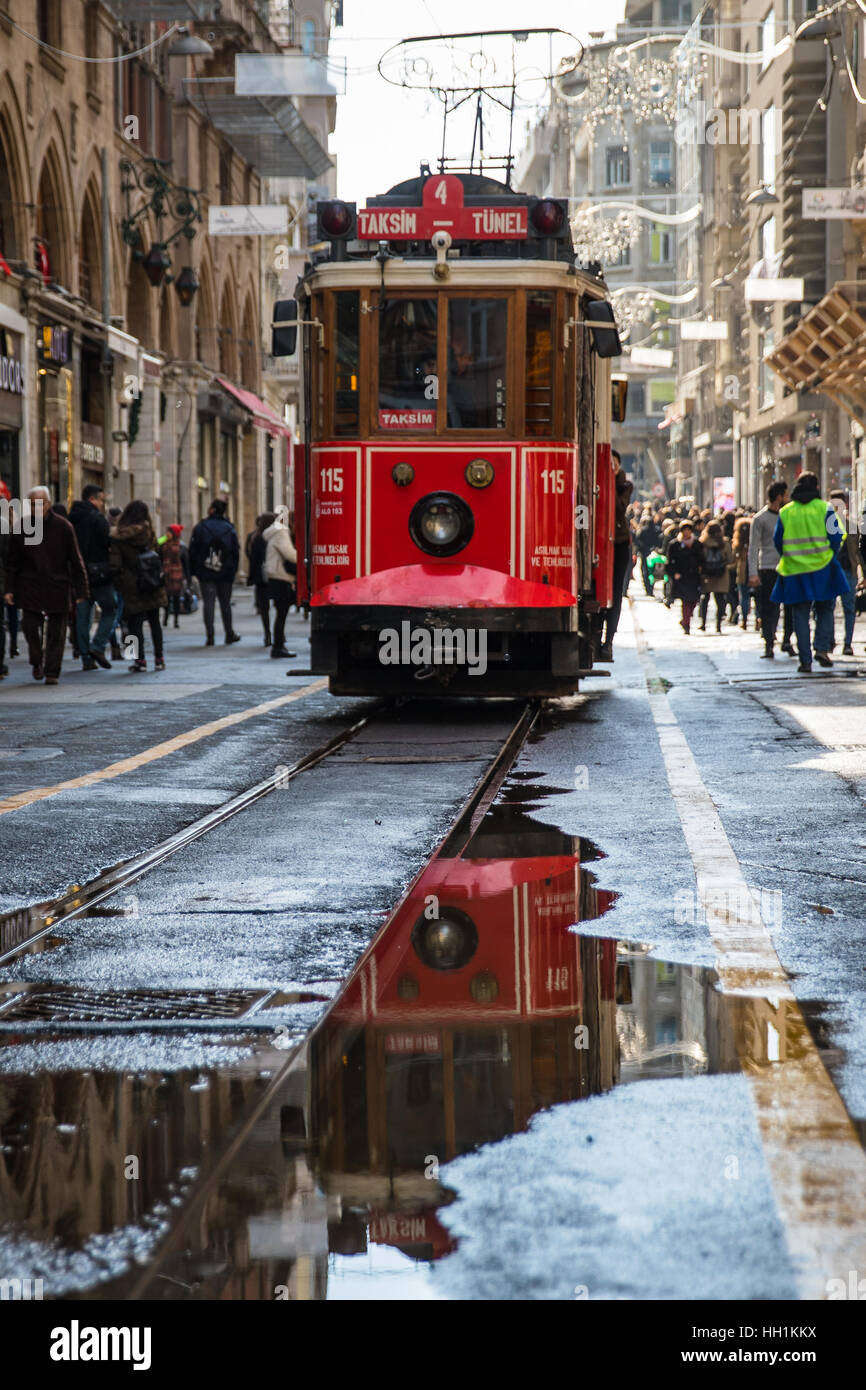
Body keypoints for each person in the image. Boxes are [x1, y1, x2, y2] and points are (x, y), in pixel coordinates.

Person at [4, 486, 88, 685]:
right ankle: (36, 660)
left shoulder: (64, 527)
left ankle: (52, 671)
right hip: (30, 585)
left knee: (57, 633)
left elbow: (76, 560)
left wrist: (82, 589)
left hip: (58, 584)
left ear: (48, 504)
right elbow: (12, 563)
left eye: (40, 503)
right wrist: (9, 589)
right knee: (31, 627)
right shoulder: (21, 528)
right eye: (32, 504)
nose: (36, 508)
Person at [771, 471, 850, 673]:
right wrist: (829, 554)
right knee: (825, 609)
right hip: (823, 567)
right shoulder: (824, 509)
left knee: (800, 614)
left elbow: (778, 540)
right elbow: (837, 536)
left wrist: (790, 555)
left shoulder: (786, 512)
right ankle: (822, 649)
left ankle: (805, 660)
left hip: (795, 570)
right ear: (816, 488)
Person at [110, 500, 167, 673]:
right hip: (151, 582)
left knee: (131, 624)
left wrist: (120, 584)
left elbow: (115, 564)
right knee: (154, 621)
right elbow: (157, 553)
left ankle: (138, 660)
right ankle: (159, 659)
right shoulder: (149, 532)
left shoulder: (118, 536)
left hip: (131, 585)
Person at [69, 483, 117, 671]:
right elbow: (108, 543)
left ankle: (85, 658)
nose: (103, 504)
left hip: (78, 573)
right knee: (110, 609)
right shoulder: (97, 519)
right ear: (92, 499)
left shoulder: (71, 518)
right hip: (99, 573)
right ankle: (97, 646)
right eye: (101, 500)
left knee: (83, 614)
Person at [597, 451, 633, 662]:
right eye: (609, 463)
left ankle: (609, 639)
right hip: (601, 543)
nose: (613, 466)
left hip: (619, 543)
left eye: (615, 464)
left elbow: (618, 508)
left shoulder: (625, 485)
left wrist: (609, 481)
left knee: (616, 591)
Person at [189, 498, 240, 646]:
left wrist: (196, 570)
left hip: (206, 572)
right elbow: (235, 551)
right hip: (225, 572)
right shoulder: (229, 528)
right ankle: (229, 633)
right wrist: (233, 570)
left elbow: (193, 551)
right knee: (225, 604)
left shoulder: (201, 527)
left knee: (208, 603)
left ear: (212, 510)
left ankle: (210, 636)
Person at [748, 480, 788, 658]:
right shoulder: (760, 519)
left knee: (790, 607)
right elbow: (753, 547)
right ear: (779, 496)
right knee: (769, 608)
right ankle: (769, 643)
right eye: (786, 494)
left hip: (788, 567)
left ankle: (787, 640)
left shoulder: (788, 516)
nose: (788, 498)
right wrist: (753, 573)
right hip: (768, 568)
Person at [829, 490, 862, 655]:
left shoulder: (851, 526)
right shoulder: (826, 525)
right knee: (829, 607)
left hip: (848, 571)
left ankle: (847, 643)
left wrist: (862, 573)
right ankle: (830, 641)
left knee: (849, 608)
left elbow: (859, 552)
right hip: (831, 572)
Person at [262, 511, 298, 659]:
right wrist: (302, 556)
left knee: (280, 612)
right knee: (281, 613)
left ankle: (279, 645)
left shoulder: (276, 531)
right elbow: (291, 555)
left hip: (276, 576)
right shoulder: (281, 532)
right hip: (281, 576)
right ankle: (278, 646)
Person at [697, 521, 734, 632]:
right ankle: (718, 624)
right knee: (720, 600)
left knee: (705, 598)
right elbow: (730, 559)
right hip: (721, 574)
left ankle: (703, 623)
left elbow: (699, 558)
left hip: (706, 574)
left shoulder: (702, 543)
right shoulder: (724, 543)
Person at [667, 521, 703, 634]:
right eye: (684, 530)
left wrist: (701, 568)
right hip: (681, 577)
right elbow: (670, 562)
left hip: (694, 577)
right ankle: (686, 624)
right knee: (685, 601)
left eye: (688, 530)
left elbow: (702, 558)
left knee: (694, 600)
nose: (686, 533)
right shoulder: (675, 545)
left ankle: (685, 620)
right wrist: (674, 574)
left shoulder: (697, 544)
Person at [246, 512, 274, 647]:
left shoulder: (257, 538)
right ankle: (279, 635)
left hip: (261, 578)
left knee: (264, 609)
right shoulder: (276, 537)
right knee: (281, 608)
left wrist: (251, 577)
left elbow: (253, 560)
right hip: (276, 576)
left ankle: (267, 634)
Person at [159, 523, 190, 629]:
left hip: (177, 575)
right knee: (166, 598)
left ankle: (176, 619)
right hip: (166, 574)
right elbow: (156, 549)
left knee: (176, 598)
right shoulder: (163, 544)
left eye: (169, 532)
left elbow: (186, 563)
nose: (167, 534)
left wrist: (188, 579)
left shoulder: (181, 546)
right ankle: (166, 617)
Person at [731, 516, 752, 631]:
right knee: (758, 598)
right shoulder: (755, 543)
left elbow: (733, 561)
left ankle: (744, 620)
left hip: (743, 574)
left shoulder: (738, 545)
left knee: (744, 597)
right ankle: (759, 618)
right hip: (755, 572)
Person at [634, 510, 661, 595]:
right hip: (653, 553)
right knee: (652, 571)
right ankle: (651, 588)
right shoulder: (656, 530)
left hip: (645, 553)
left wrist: (641, 547)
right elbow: (659, 542)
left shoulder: (642, 530)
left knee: (645, 571)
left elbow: (637, 540)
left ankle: (648, 588)